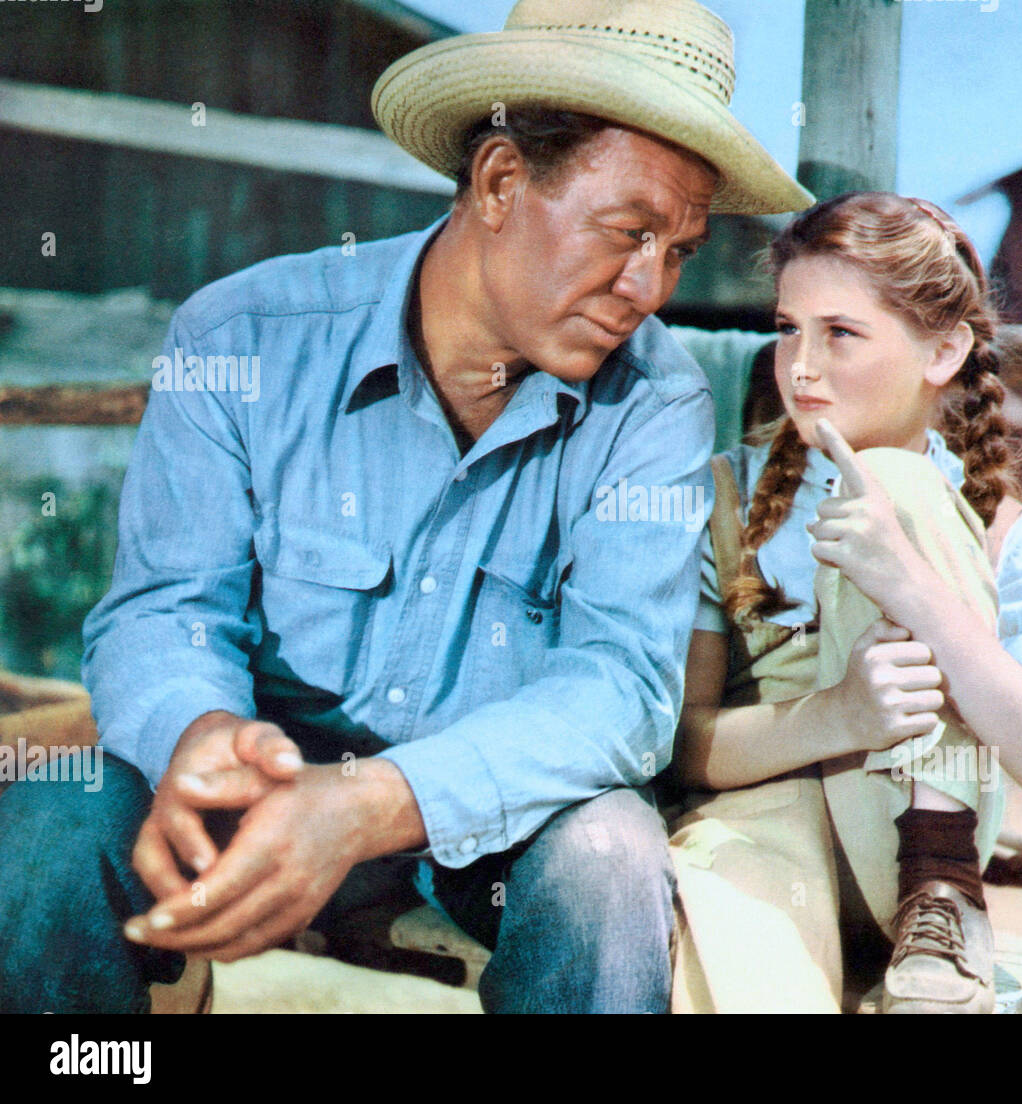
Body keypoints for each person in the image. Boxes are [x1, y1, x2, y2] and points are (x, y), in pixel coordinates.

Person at [0, 0, 813, 1014]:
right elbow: (164, 606)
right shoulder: (242, 337)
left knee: (608, 856)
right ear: (502, 181)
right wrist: (197, 735)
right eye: (629, 231)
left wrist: (374, 803)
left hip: (488, 828)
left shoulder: (654, 400)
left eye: (680, 249)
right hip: (254, 793)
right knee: (48, 824)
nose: (650, 286)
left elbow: (621, 686)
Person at [668, 192, 1022, 1014]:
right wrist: (842, 714)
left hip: (907, 864)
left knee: (897, 484)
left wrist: (912, 586)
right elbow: (685, 750)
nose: (801, 365)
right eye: (789, 327)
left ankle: (942, 883)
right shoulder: (725, 498)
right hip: (766, 839)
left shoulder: (1009, 537)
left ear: (944, 350)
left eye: (841, 332)